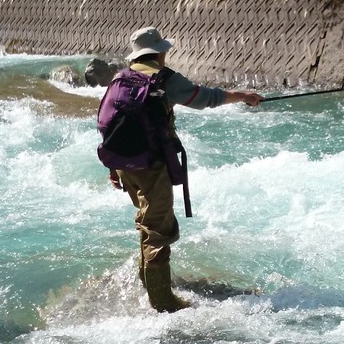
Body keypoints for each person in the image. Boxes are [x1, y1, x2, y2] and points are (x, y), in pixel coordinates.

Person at [106, 26, 262, 312]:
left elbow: (111, 123)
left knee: (147, 220)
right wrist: (242, 96)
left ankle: (148, 282)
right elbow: (204, 98)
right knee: (159, 229)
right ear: (160, 51)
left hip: (125, 163)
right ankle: (162, 301)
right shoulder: (164, 79)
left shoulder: (121, 77)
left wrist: (114, 166)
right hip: (152, 163)